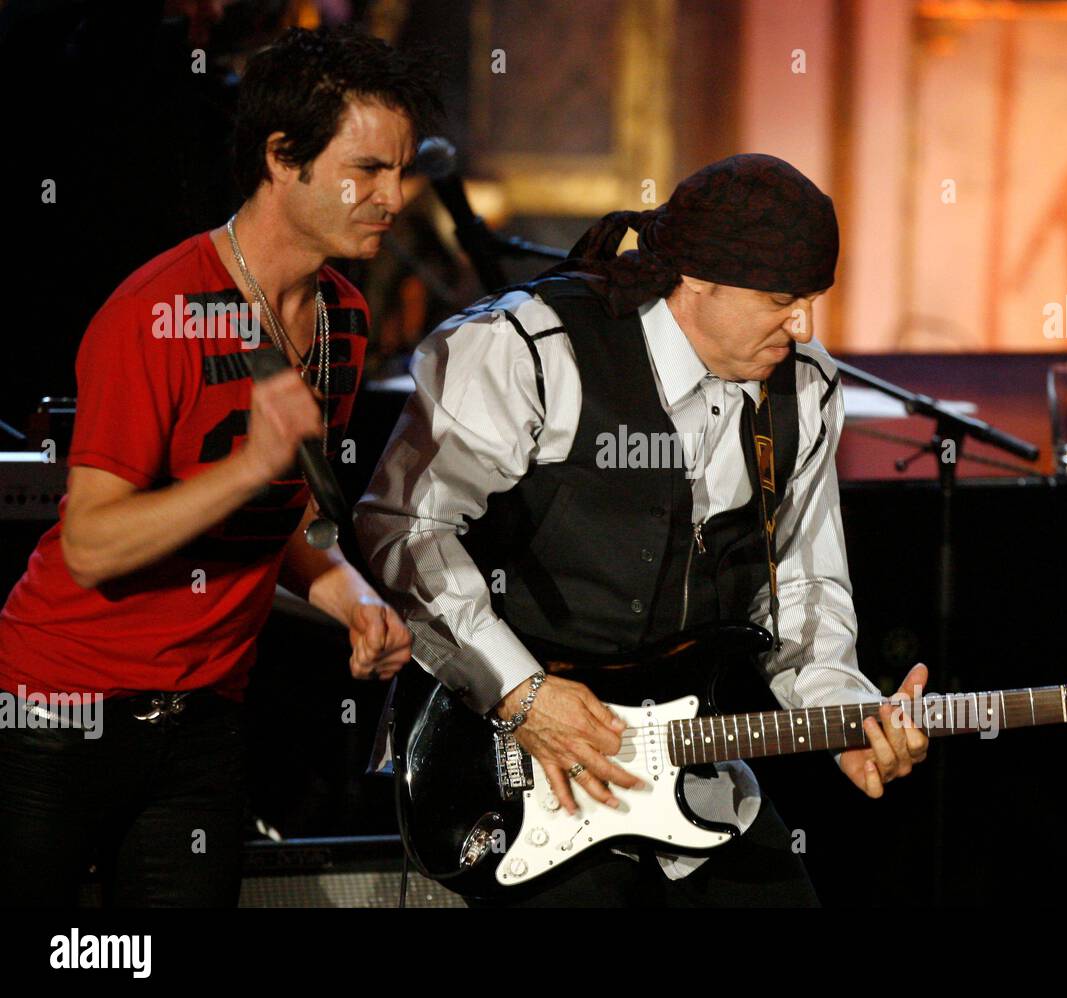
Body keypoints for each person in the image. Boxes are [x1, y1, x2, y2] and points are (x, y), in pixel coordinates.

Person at [355, 154, 929, 907]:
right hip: (505, 769)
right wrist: (521, 694)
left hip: (687, 771)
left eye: (815, 298)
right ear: (696, 280)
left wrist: (844, 712)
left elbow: (804, 584)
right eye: (783, 299)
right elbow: (405, 527)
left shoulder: (806, 387)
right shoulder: (528, 349)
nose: (805, 324)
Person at [0, 25, 437, 907]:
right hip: (58, 715)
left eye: (401, 168)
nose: (394, 196)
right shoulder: (155, 311)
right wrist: (248, 465)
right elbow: (87, 545)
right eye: (368, 170)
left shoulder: (343, 322)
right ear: (283, 158)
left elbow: (277, 527)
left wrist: (348, 593)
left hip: (205, 723)